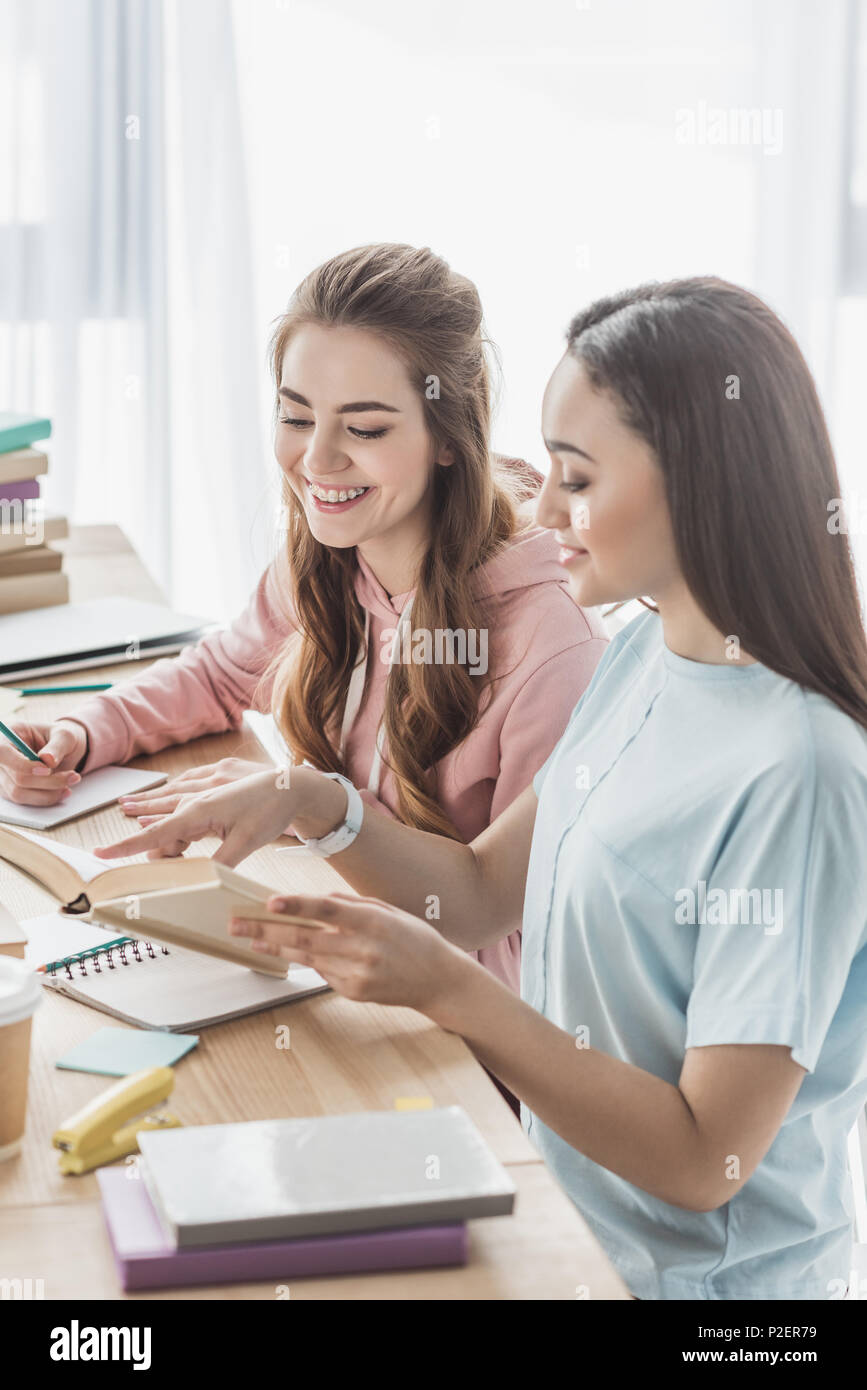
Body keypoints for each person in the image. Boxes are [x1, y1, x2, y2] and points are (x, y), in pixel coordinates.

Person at [99, 278, 867, 1300]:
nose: (543, 511)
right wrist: (319, 805)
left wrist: (453, 990)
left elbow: (700, 1160)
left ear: (703, 481)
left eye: (577, 476)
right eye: (547, 467)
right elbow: (475, 893)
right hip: (551, 1219)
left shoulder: (801, 772)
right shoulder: (645, 656)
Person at [0, 243, 607, 994]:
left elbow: (498, 921)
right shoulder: (328, 556)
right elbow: (224, 671)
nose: (317, 460)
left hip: (460, 1035)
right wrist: (86, 731)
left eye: (366, 428)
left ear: (450, 437)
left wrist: (316, 813)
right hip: (336, 961)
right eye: (295, 415)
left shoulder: (552, 650)